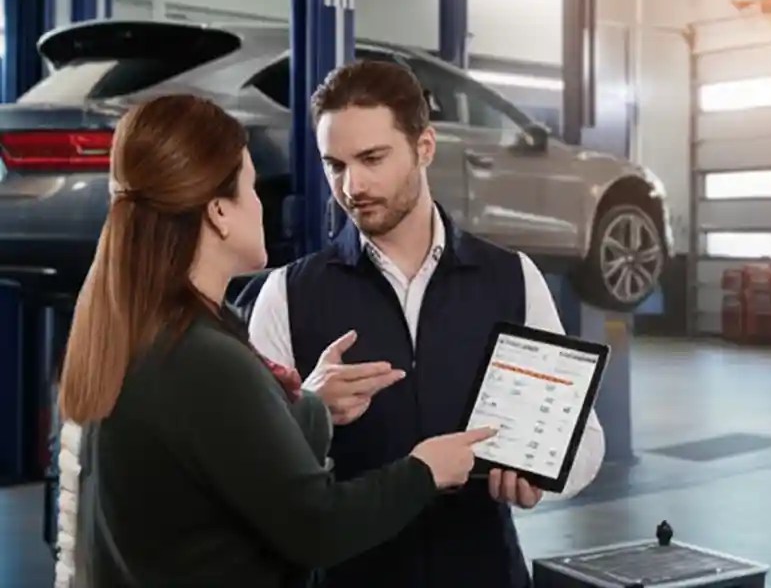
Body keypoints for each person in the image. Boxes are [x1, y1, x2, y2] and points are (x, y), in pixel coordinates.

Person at [52, 94, 496, 588]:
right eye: (251, 187)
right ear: (219, 212)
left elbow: (227, 450)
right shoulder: (203, 358)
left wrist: (310, 406)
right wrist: (424, 470)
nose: (262, 202)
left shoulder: (147, 332)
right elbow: (317, 526)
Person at [244, 60, 605, 587]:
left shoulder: (511, 279)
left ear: (425, 147)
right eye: (335, 165)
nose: (353, 185)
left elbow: (583, 438)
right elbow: (254, 473)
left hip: (485, 573)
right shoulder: (289, 294)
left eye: (372, 158)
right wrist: (308, 410)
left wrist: (540, 478)